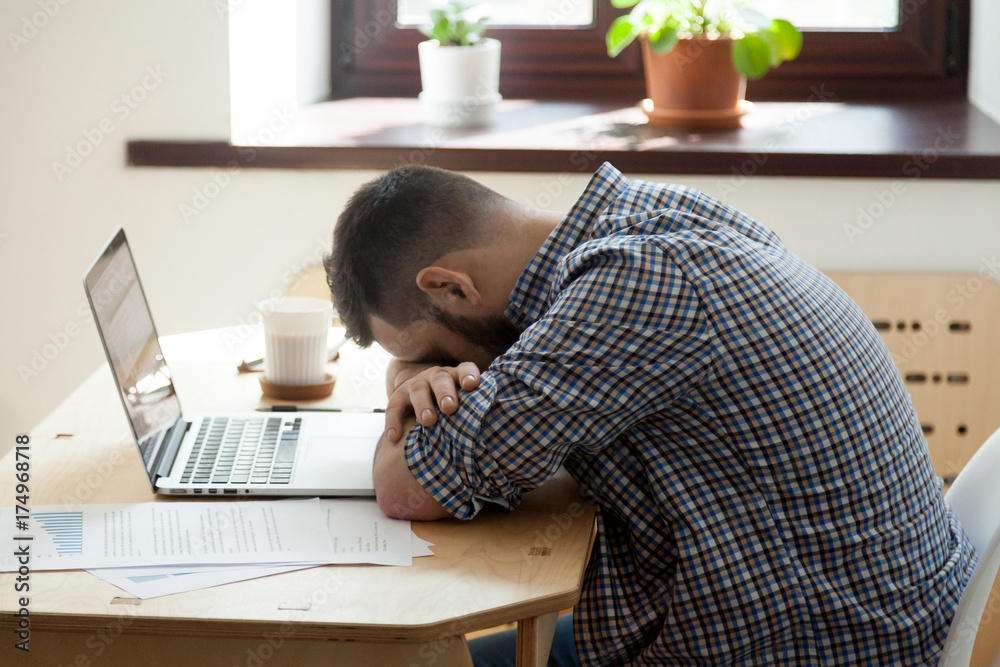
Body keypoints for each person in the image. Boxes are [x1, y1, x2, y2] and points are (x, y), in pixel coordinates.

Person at [324, 162, 976, 665]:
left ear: (452, 286)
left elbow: (405, 486)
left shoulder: (629, 287)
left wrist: (402, 392)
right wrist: (414, 368)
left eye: (430, 350)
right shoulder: (653, 216)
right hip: (882, 614)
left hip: (821, 645)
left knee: (398, 659)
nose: (429, 370)